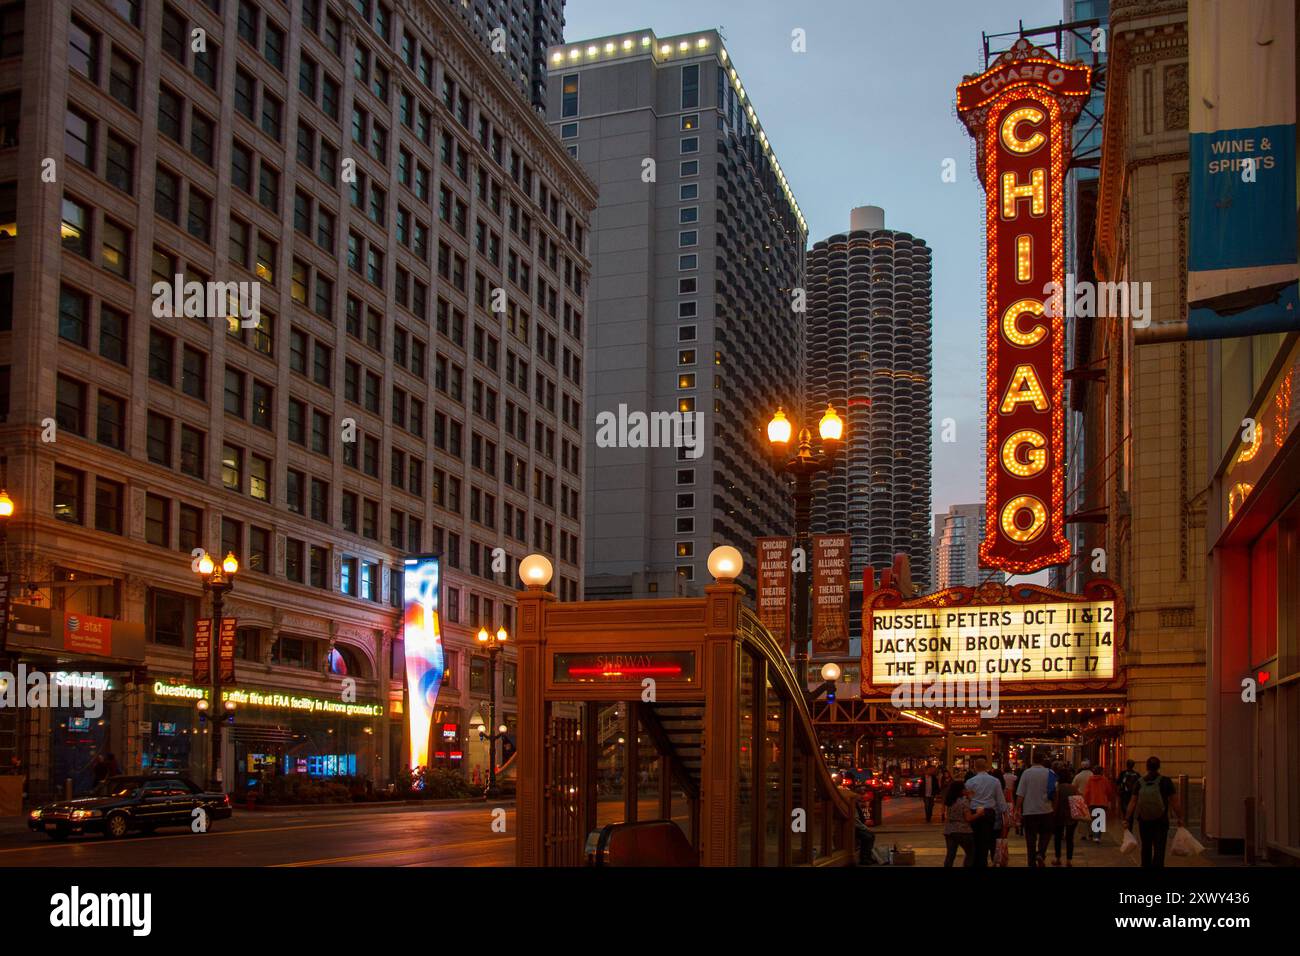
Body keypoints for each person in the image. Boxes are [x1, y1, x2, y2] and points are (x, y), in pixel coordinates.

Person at [1126, 756, 1182, 868]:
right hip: (1161, 821)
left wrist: (1127, 818)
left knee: (1146, 847)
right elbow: (1175, 801)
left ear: (1147, 767)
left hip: (1144, 820)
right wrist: (1180, 817)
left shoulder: (1140, 782)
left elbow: (1132, 802)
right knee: (1159, 847)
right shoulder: (1166, 781)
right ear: (1159, 767)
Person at [962, 757, 1005, 869]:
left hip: (975, 811)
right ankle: (983, 861)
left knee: (976, 839)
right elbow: (1000, 799)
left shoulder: (970, 782)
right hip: (989, 812)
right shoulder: (995, 781)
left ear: (975, 767)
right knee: (987, 839)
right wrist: (1004, 813)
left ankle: (977, 862)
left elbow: (966, 798)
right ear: (986, 767)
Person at [1015, 753, 1055, 867]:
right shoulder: (1050, 773)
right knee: (1046, 834)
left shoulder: (1026, 773)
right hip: (1046, 810)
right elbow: (1054, 792)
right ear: (1043, 761)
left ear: (1033, 760)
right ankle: (1041, 853)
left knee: (1030, 838)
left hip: (1030, 811)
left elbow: (1020, 794)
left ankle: (1031, 862)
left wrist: (1017, 809)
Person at [942, 779, 977, 867]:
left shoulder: (949, 801)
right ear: (961, 790)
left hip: (949, 830)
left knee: (950, 855)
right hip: (963, 830)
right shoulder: (963, 802)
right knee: (971, 853)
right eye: (964, 789)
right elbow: (968, 818)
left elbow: (946, 816)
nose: (966, 790)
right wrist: (979, 813)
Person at [1051, 760, 1080, 866]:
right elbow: (1078, 800)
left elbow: (1056, 802)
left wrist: (1053, 813)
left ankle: (1058, 858)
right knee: (1070, 838)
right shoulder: (1073, 788)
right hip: (1071, 816)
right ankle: (1069, 860)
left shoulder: (1057, 788)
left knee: (1058, 838)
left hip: (1059, 815)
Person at [1083, 767, 1119, 843]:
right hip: (1102, 802)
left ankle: (1094, 835)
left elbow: (1087, 792)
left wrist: (1086, 801)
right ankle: (1097, 836)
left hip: (1092, 802)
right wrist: (1109, 799)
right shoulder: (1104, 780)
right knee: (1100, 820)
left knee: (1094, 819)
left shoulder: (1090, 780)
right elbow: (1109, 791)